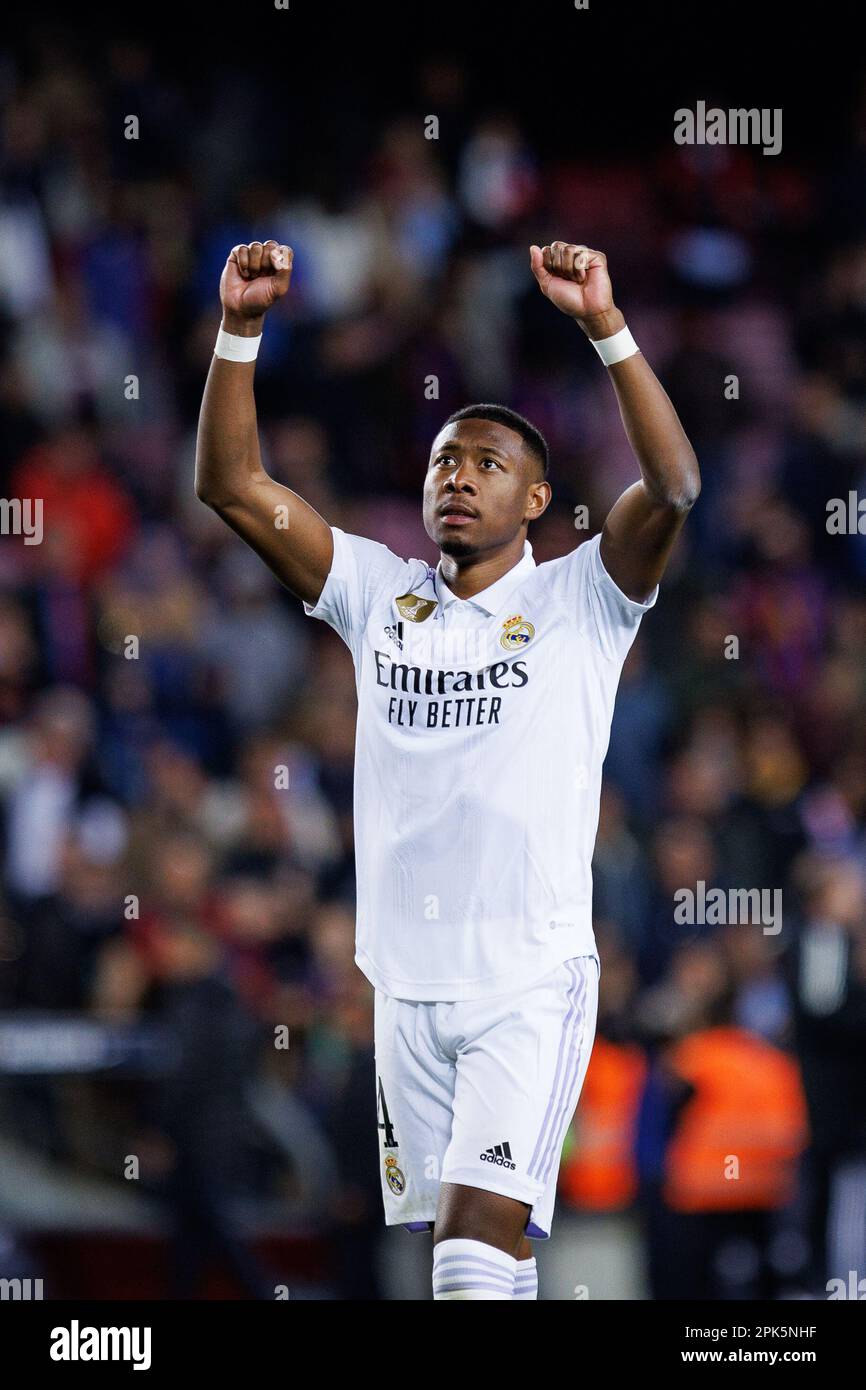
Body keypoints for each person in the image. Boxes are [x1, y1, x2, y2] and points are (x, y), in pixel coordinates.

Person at [195, 236, 700, 1300]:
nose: (457, 478)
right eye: (442, 462)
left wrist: (602, 324)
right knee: (485, 1261)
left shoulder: (583, 598)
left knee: (466, 1258)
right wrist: (239, 329)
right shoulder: (376, 590)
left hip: (524, 980)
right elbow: (230, 484)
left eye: (486, 464)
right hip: (404, 989)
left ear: (535, 501)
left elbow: (675, 482)